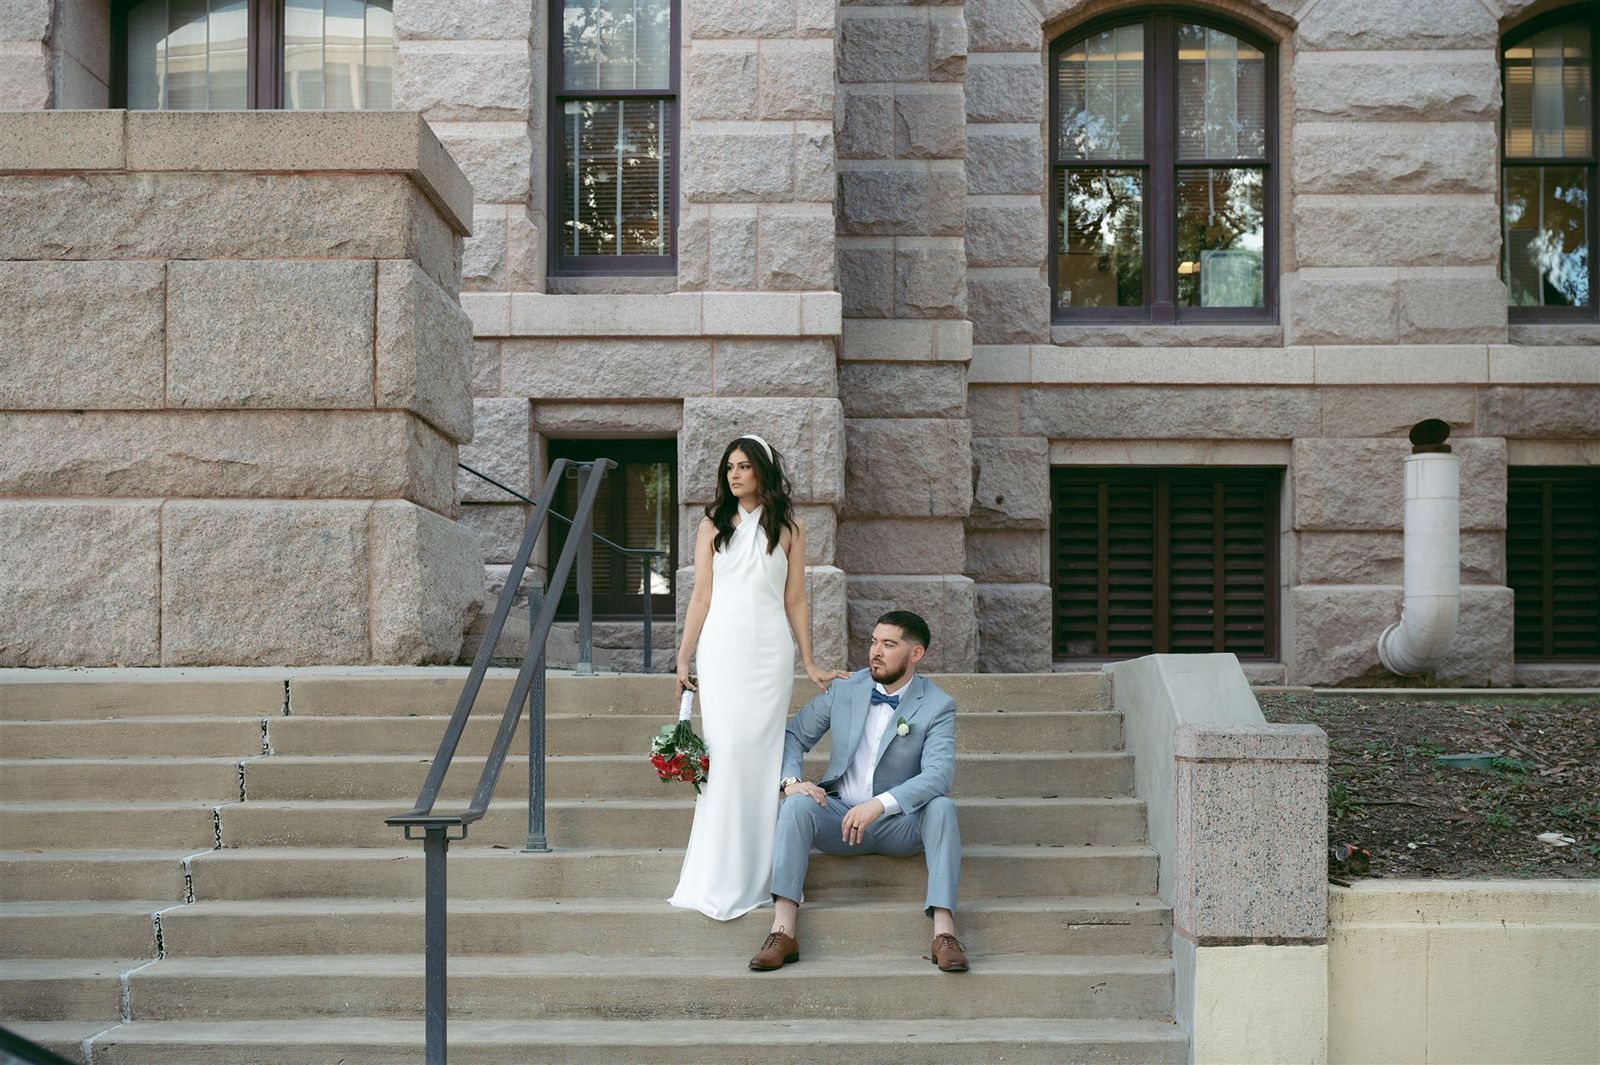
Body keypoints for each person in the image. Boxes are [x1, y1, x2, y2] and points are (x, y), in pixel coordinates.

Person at [668, 434, 847, 920]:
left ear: (763, 471)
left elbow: (795, 600)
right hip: (722, 649)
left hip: (770, 653)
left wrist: (809, 663)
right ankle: (721, 873)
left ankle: (769, 872)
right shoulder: (711, 525)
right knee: (725, 752)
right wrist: (684, 659)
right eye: (730, 467)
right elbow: (701, 597)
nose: (735, 474)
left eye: (744, 466)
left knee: (763, 755)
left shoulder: (790, 528)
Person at [749, 610, 968, 973]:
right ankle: (783, 930)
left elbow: (939, 775)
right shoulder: (845, 688)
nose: (875, 652)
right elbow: (794, 736)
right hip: (837, 818)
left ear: (916, 654)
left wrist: (879, 805)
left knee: (942, 807)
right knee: (796, 806)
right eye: (873, 641)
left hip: (900, 824)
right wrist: (792, 781)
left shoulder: (937, 704)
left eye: (888, 644)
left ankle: (944, 933)